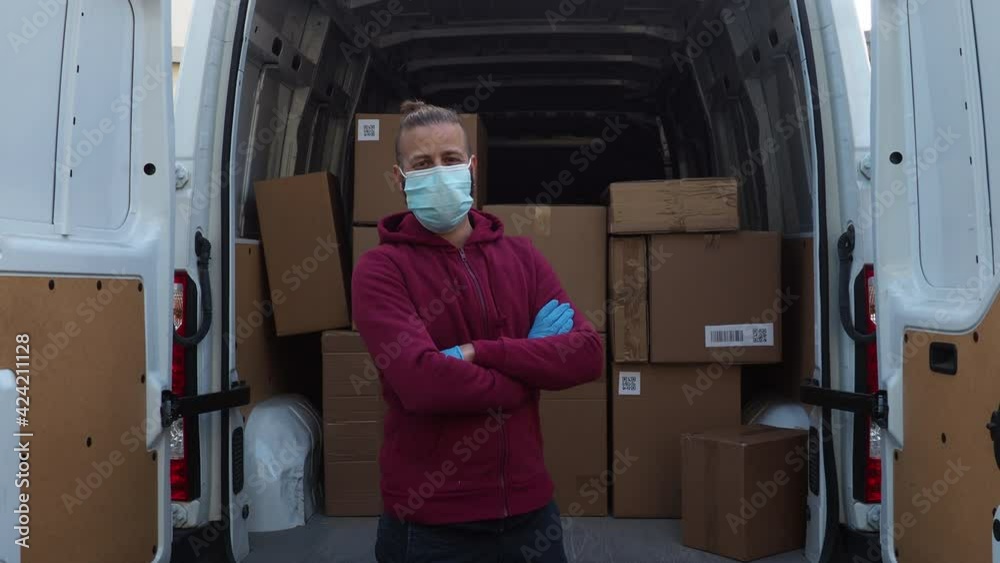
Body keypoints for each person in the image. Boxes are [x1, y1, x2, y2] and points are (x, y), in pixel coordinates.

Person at [352, 100, 604, 563]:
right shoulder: (381, 269)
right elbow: (421, 384)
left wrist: (475, 352)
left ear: (471, 168)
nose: (438, 172)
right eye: (422, 164)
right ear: (399, 178)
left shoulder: (522, 257)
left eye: (450, 159)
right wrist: (528, 365)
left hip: (531, 515)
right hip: (430, 526)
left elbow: (587, 355)